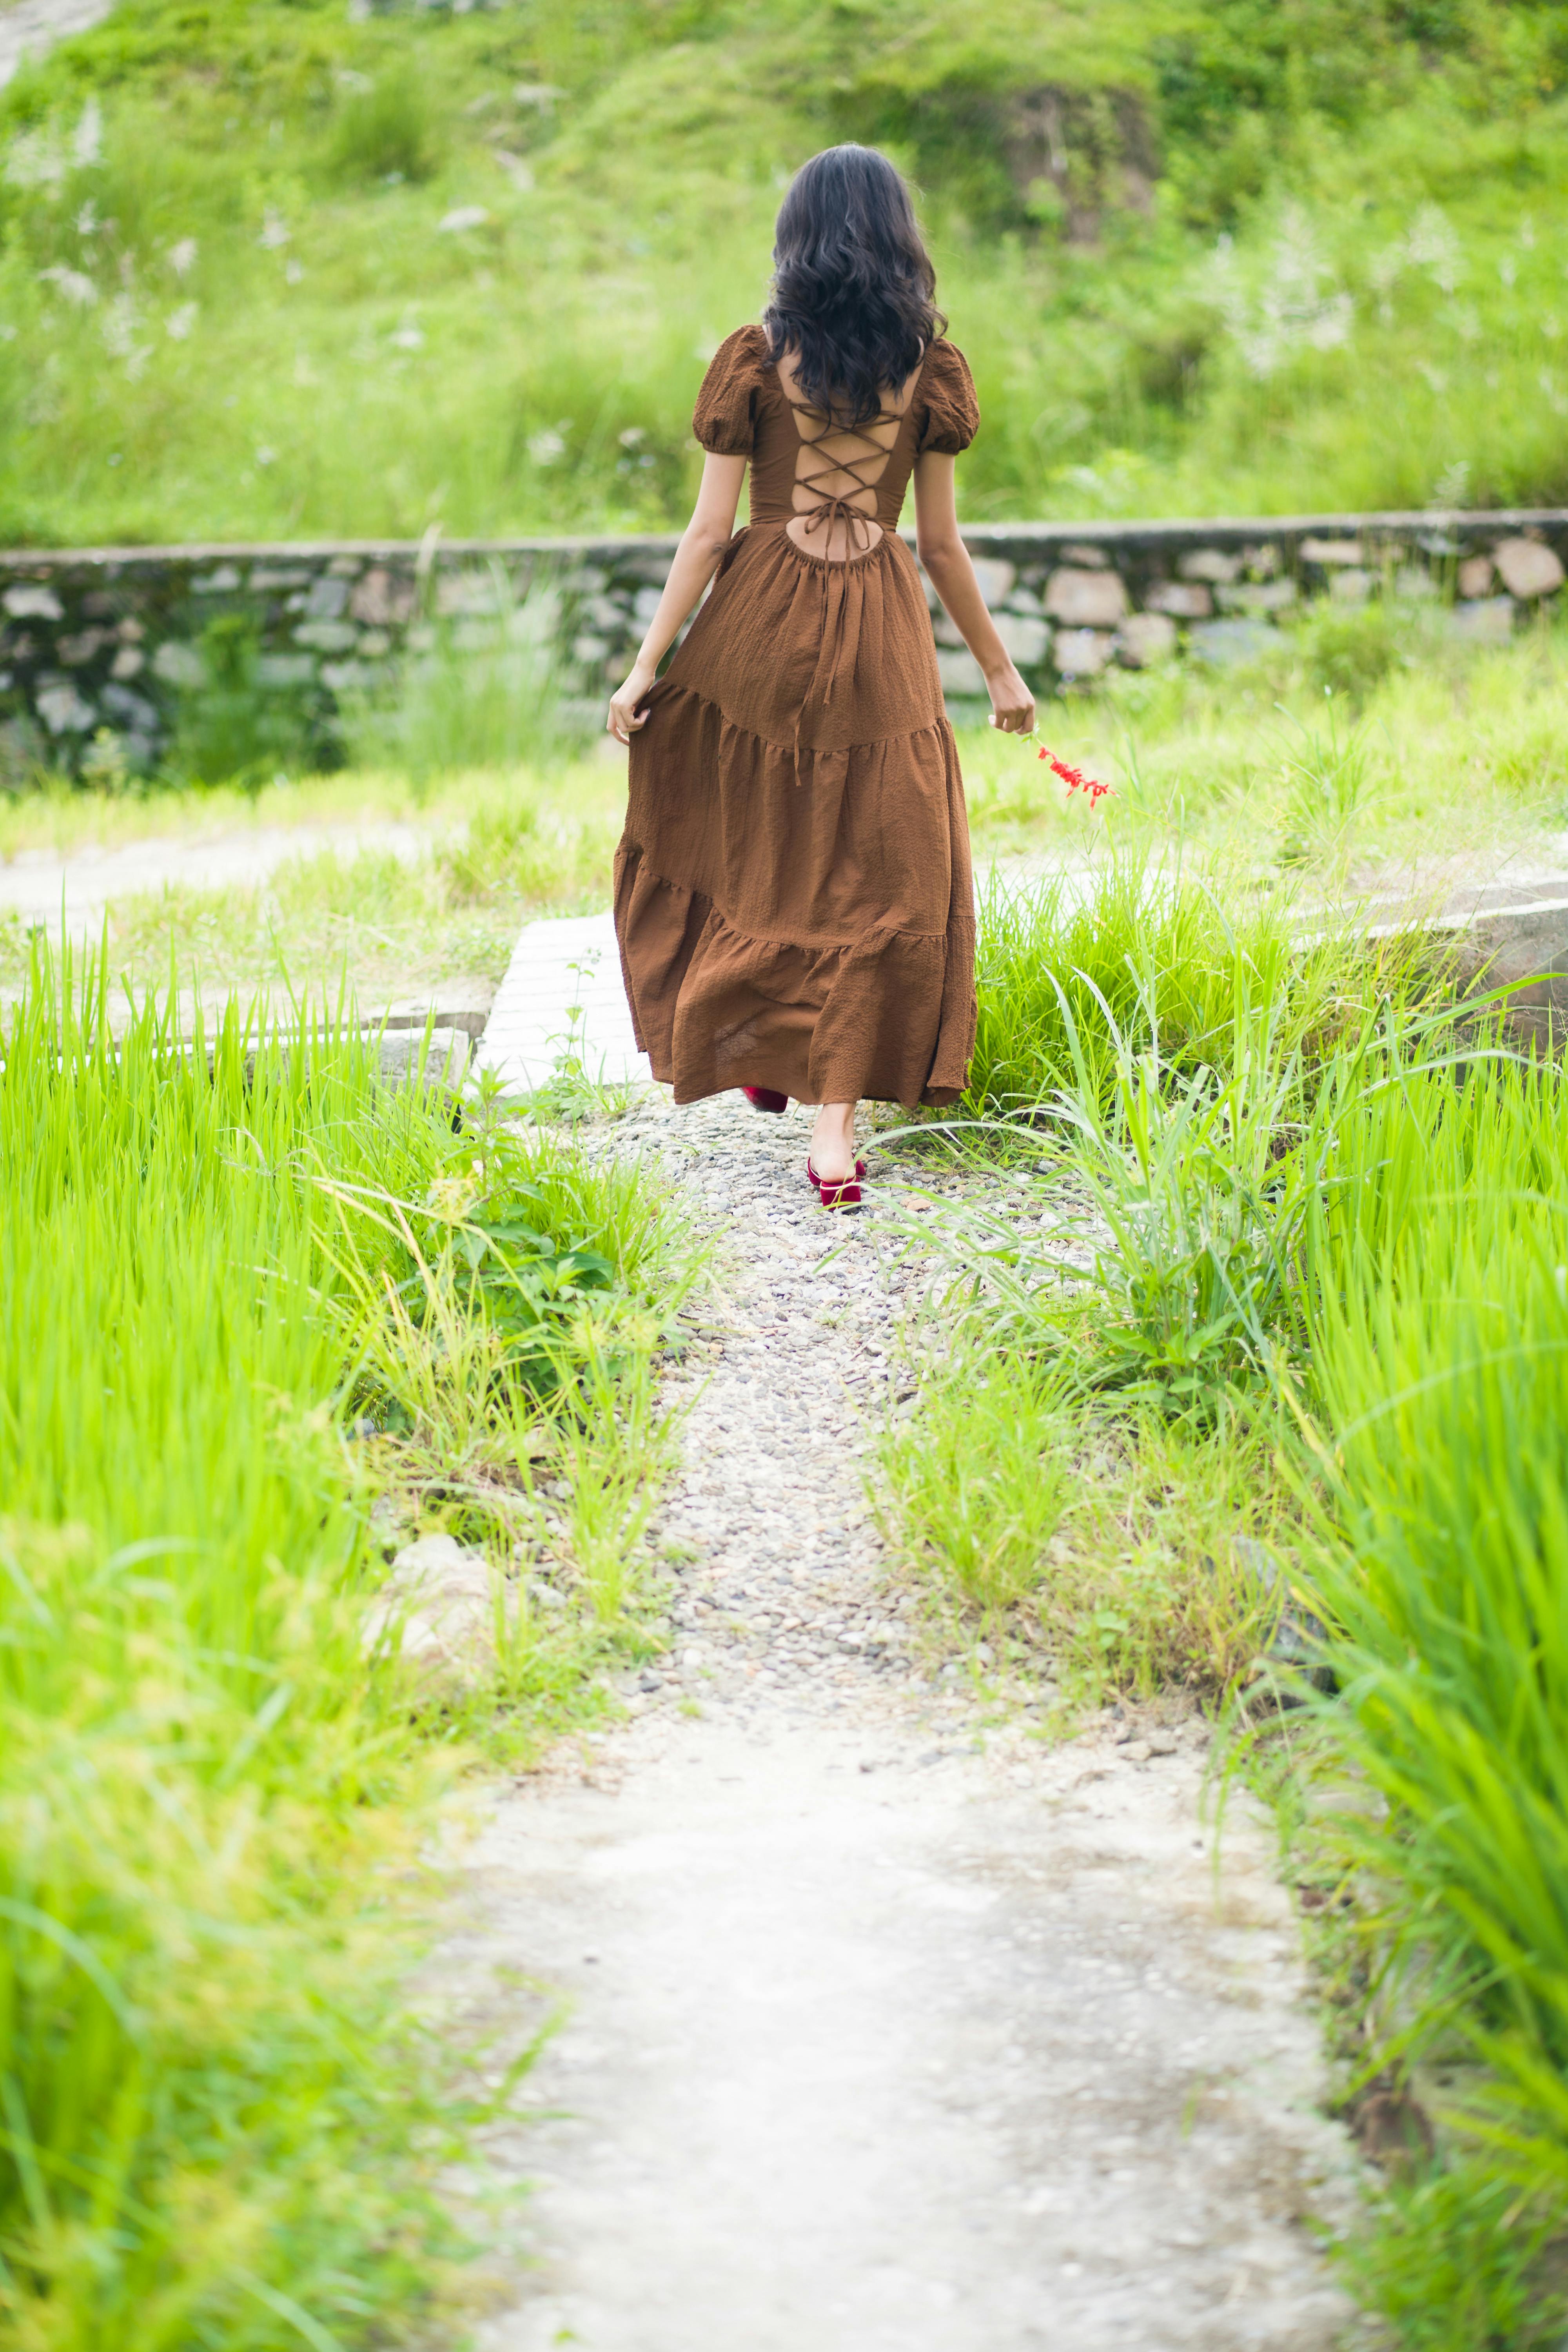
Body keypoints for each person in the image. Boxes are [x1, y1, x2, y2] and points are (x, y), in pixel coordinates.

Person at [606, 143, 1034, 1209]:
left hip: (757, 623)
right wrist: (1001, 673)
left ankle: (755, 1038)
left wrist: (645, 666)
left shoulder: (755, 358)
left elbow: (709, 535)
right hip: (879, 633)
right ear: (901, 238)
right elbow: (939, 546)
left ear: (795, 239)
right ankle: (834, 1139)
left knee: (755, 836)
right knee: (878, 868)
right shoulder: (931, 370)